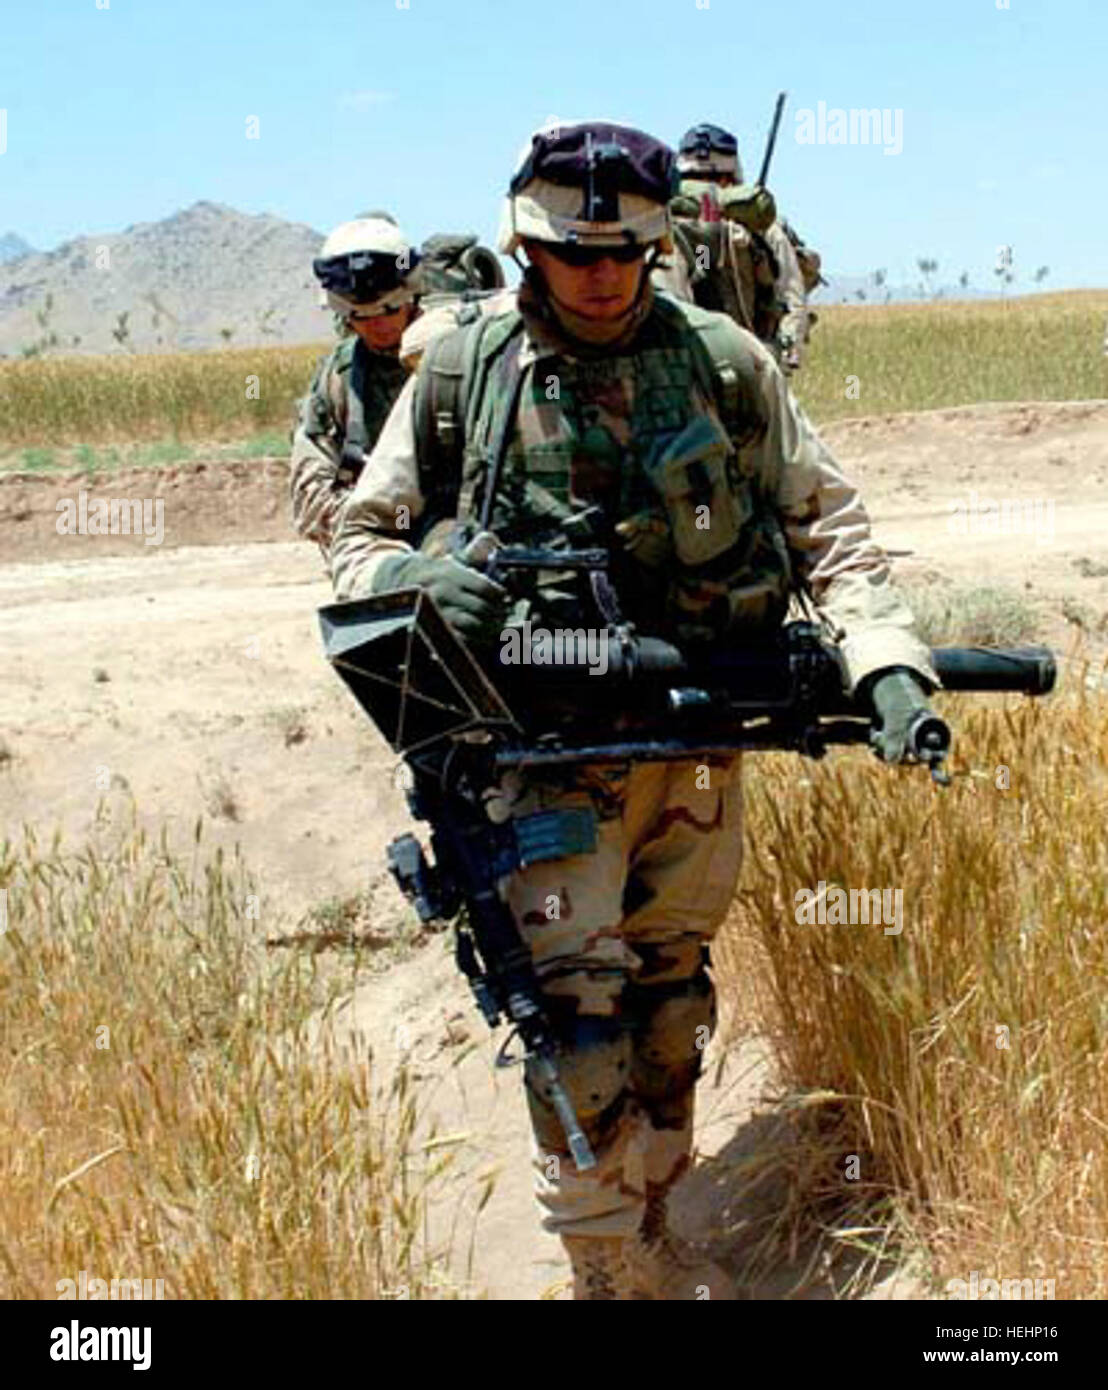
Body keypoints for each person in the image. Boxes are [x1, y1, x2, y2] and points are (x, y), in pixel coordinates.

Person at [329, 120, 941, 1299]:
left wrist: (885, 664)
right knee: (576, 1020)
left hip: (698, 745)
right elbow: (357, 539)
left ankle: (656, 1220)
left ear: (658, 244)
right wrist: (412, 575)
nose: (601, 274)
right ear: (525, 247)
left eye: (624, 251)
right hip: (544, 759)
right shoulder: (463, 376)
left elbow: (833, 531)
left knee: (673, 1003)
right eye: (573, 252)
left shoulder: (723, 363)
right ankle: (603, 1270)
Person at [289, 216, 421, 557]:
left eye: (388, 310)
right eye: (360, 316)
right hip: (376, 544)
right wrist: (369, 527)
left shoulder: (456, 356)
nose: (377, 325)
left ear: (410, 296)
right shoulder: (339, 375)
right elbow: (311, 490)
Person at [674, 122, 815, 371]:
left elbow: (702, 270)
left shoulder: (665, 227)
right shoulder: (764, 230)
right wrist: (787, 352)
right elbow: (792, 295)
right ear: (731, 178)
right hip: (753, 359)